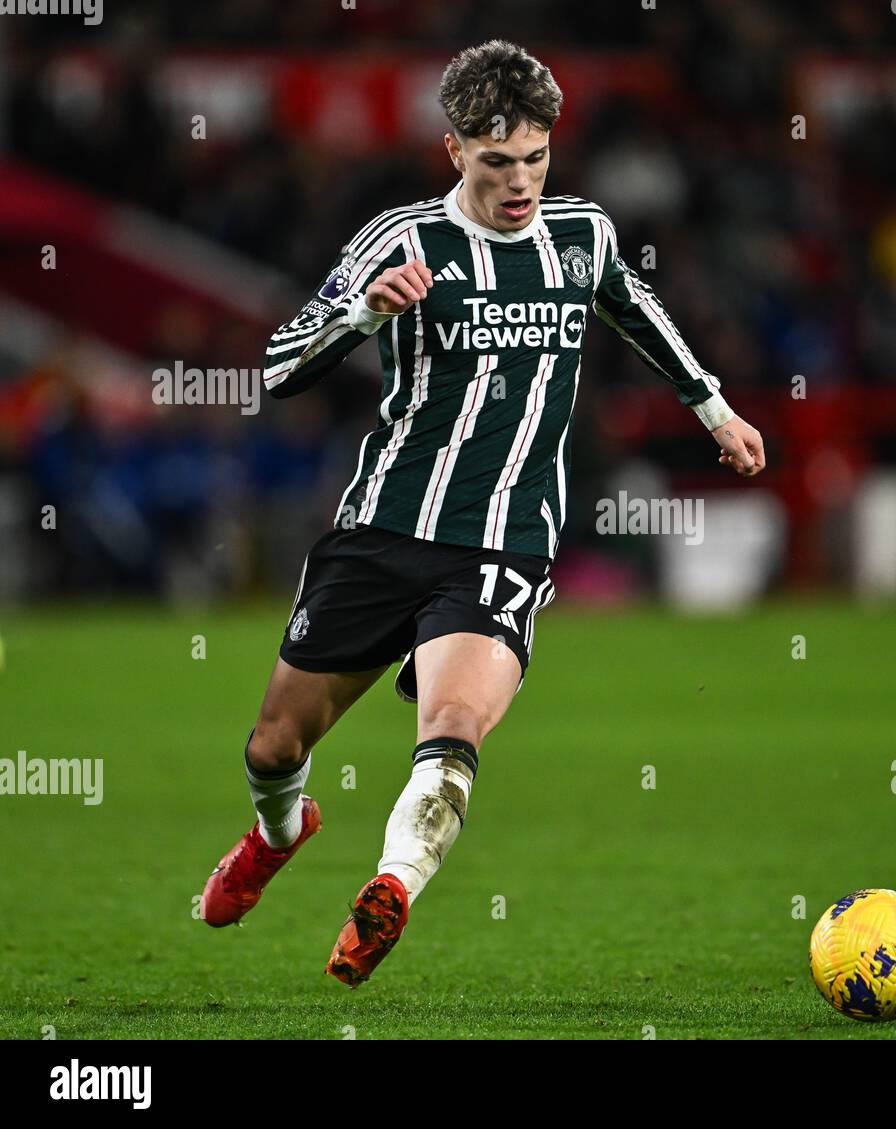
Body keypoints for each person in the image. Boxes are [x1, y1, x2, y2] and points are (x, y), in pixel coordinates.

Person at [198, 39, 766, 987]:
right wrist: (362, 315)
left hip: (503, 541)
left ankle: (391, 887)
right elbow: (278, 364)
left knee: (454, 723)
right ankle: (279, 830)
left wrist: (715, 405)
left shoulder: (581, 234)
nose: (522, 182)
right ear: (453, 150)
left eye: (537, 158)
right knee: (274, 743)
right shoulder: (402, 241)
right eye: (498, 161)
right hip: (380, 531)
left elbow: (635, 307)